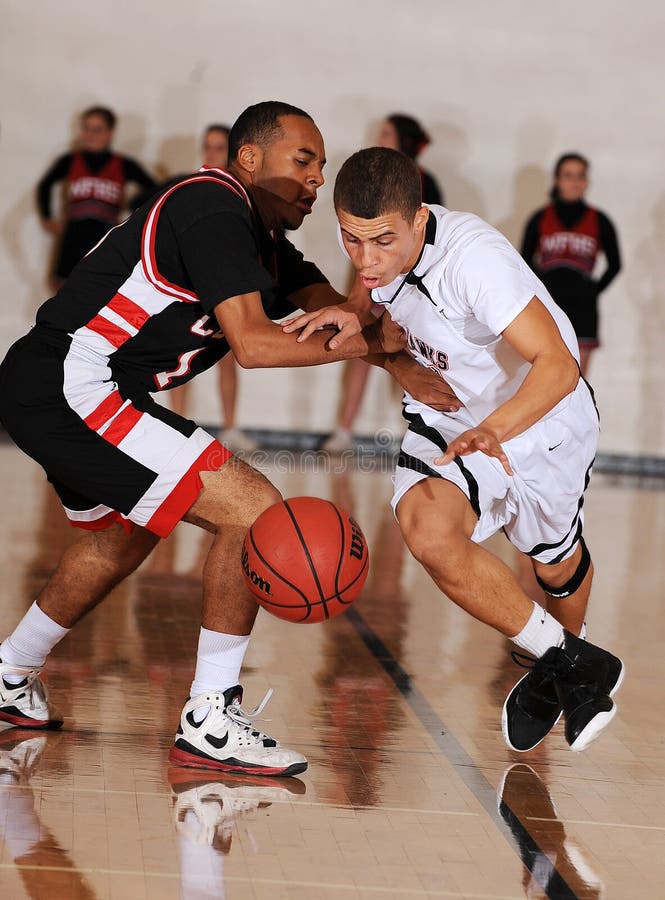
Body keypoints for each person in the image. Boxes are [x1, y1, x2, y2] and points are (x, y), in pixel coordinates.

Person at [0, 102, 457, 778]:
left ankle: (9, 676)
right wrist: (376, 343)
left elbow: (333, 314)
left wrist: (401, 360)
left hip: (62, 384)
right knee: (252, 509)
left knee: (121, 538)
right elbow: (254, 346)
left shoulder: (262, 241)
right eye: (303, 160)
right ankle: (209, 718)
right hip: (72, 380)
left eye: (321, 166)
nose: (316, 177)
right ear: (249, 158)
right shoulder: (211, 206)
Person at [286, 147, 624, 754]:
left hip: (540, 416)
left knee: (553, 564)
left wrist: (495, 429)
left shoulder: (474, 261)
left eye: (381, 242)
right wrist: (364, 324)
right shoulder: (373, 246)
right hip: (449, 413)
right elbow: (374, 298)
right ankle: (568, 663)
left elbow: (558, 366)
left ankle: (559, 667)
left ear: (419, 219)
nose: (365, 258)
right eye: (351, 240)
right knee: (427, 530)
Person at [322, 113, 445, 453]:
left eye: (387, 133)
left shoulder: (425, 182)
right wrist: (359, 293)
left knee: (409, 354)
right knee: (359, 348)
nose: (380, 137)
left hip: (408, 283)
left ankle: (411, 431)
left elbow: (429, 241)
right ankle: (344, 430)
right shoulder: (367, 182)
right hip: (371, 278)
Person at [168, 124, 258, 454]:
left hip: (225, 288)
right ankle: (176, 424)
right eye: (207, 146)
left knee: (228, 358)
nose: (211, 153)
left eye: (218, 147)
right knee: (179, 357)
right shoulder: (188, 189)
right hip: (190, 289)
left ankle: (230, 427)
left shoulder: (244, 197)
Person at [36, 105, 157, 293]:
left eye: (97, 129)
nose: (90, 134)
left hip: (105, 239)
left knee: (101, 293)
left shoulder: (123, 164)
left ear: (110, 133)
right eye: (86, 128)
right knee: (64, 294)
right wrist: (47, 217)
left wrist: (134, 212)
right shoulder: (70, 160)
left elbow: (154, 189)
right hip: (72, 239)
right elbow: (45, 185)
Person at [521, 153, 621, 378]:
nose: (574, 182)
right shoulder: (540, 218)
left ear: (586, 182)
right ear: (558, 180)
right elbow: (523, 261)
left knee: (578, 382)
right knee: (540, 378)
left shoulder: (599, 220)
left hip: (583, 310)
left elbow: (616, 265)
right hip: (548, 308)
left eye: (580, 176)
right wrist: (541, 291)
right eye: (568, 175)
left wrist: (592, 291)